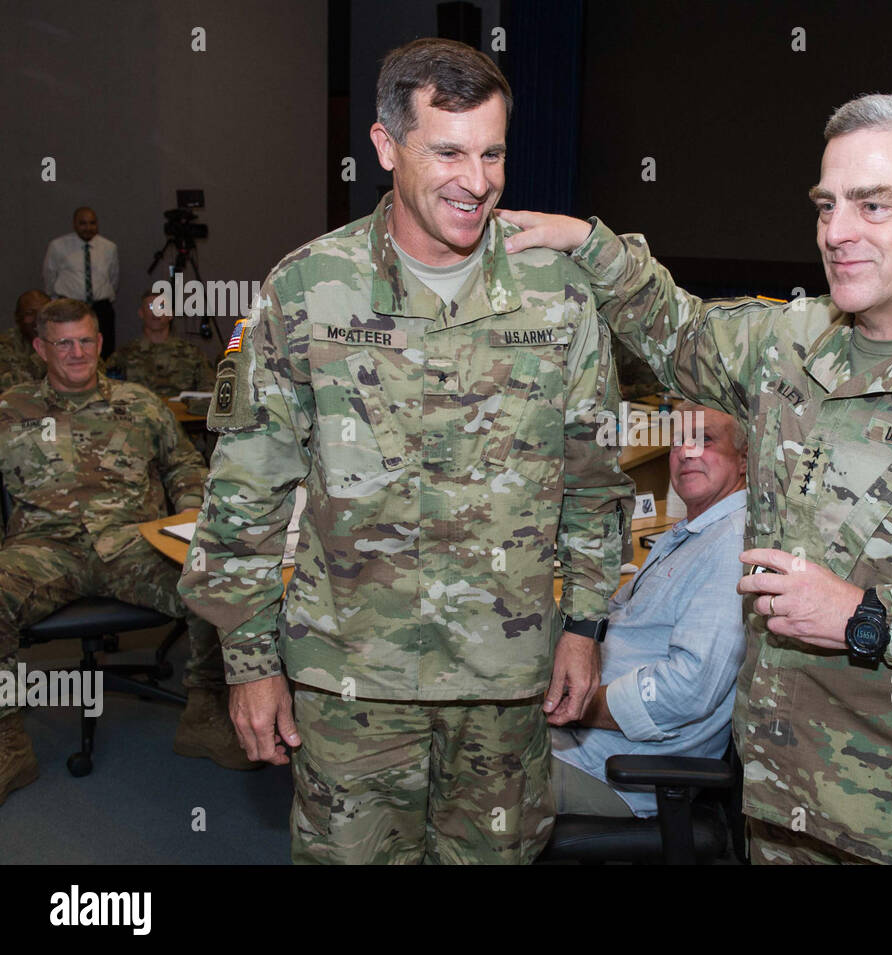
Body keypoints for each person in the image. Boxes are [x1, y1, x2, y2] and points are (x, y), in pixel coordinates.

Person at [502, 92, 892, 864]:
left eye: (873, 206)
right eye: (826, 205)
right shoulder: (795, 343)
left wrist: (866, 615)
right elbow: (679, 331)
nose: (837, 233)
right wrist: (586, 242)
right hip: (783, 812)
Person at [178, 38, 632, 865]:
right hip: (351, 680)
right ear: (387, 147)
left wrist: (587, 624)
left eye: (492, 152)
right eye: (448, 150)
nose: (478, 179)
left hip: (505, 676)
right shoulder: (309, 287)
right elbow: (246, 490)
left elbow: (593, 480)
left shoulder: (557, 294)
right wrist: (247, 661)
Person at [0, 298, 252, 807]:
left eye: (86, 340)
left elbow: (184, 466)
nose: (76, 353)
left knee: (212, 581)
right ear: (39, 348)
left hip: (132, 542)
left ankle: (205, 716)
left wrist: (188, 521)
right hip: (44, 549)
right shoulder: (11, 409)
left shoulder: (141, 403)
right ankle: (9, 745)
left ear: (100, 341)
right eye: (63, 343)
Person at [551, 404, 747, 817]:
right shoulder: (688, 535)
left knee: (462, 785)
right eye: (678, 440)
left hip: (618, 771)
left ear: (744, 460)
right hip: (581, 747)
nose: (685, 452)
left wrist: (574, 707)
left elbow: (689, 689)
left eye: (705, 440)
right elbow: (620, 620)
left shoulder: (732, 545)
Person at [106, 292, 216, 397]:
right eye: (151, 307)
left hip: (183, 414)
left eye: (161, 307)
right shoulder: (123, 355)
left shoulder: (193, 354)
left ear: (171, 314)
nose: (156, 312)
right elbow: (107, 389)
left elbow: (209, 391)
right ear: (141, 313)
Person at [43, 207, 120, 356]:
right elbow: (49, 276)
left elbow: (113, 278)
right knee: (70, 348)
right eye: (83, 223)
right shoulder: (58, 246)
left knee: (104, 349)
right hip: (68, 306)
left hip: (100, 307)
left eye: (92, 223)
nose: (88, 228)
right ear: (74, 224)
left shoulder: (109, 248)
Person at [0, 290, 50, 391]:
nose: (38, 319)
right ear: (18, 318)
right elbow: (8, 384)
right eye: (30, 313)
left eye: (44, 312)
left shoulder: (69, 339)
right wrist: (47, 351)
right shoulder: (5, 344)